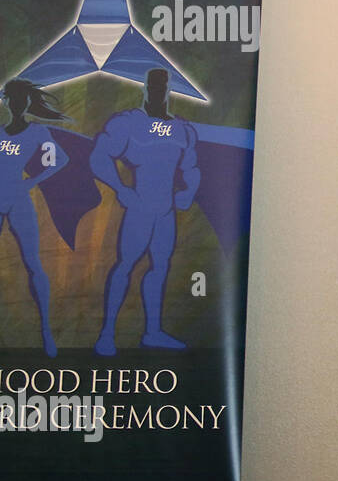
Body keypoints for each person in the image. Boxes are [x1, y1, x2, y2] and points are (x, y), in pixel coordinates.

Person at [91, 68, 200, 357]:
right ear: (145, 87)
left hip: (165, 212)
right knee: (126, 265)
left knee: (159, 267)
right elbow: (99, 157)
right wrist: (120, 189)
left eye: (161, 86)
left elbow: (192, 168)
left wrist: (187, 192)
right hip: (139, 208)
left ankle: (152, 332)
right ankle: (106, 335)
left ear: (168, 89)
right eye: (152, 85)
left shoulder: (182, 129)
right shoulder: (128, 123)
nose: (156, 90)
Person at [1, 79, 69, 358]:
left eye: (21, 99)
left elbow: (59, 159)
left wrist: (33, 181)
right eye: (12, 99)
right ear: (6, 102)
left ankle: (45, 331)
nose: (17, 104)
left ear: (27, 102)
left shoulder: (37, 132)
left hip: (18, 198)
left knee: (33, 262)